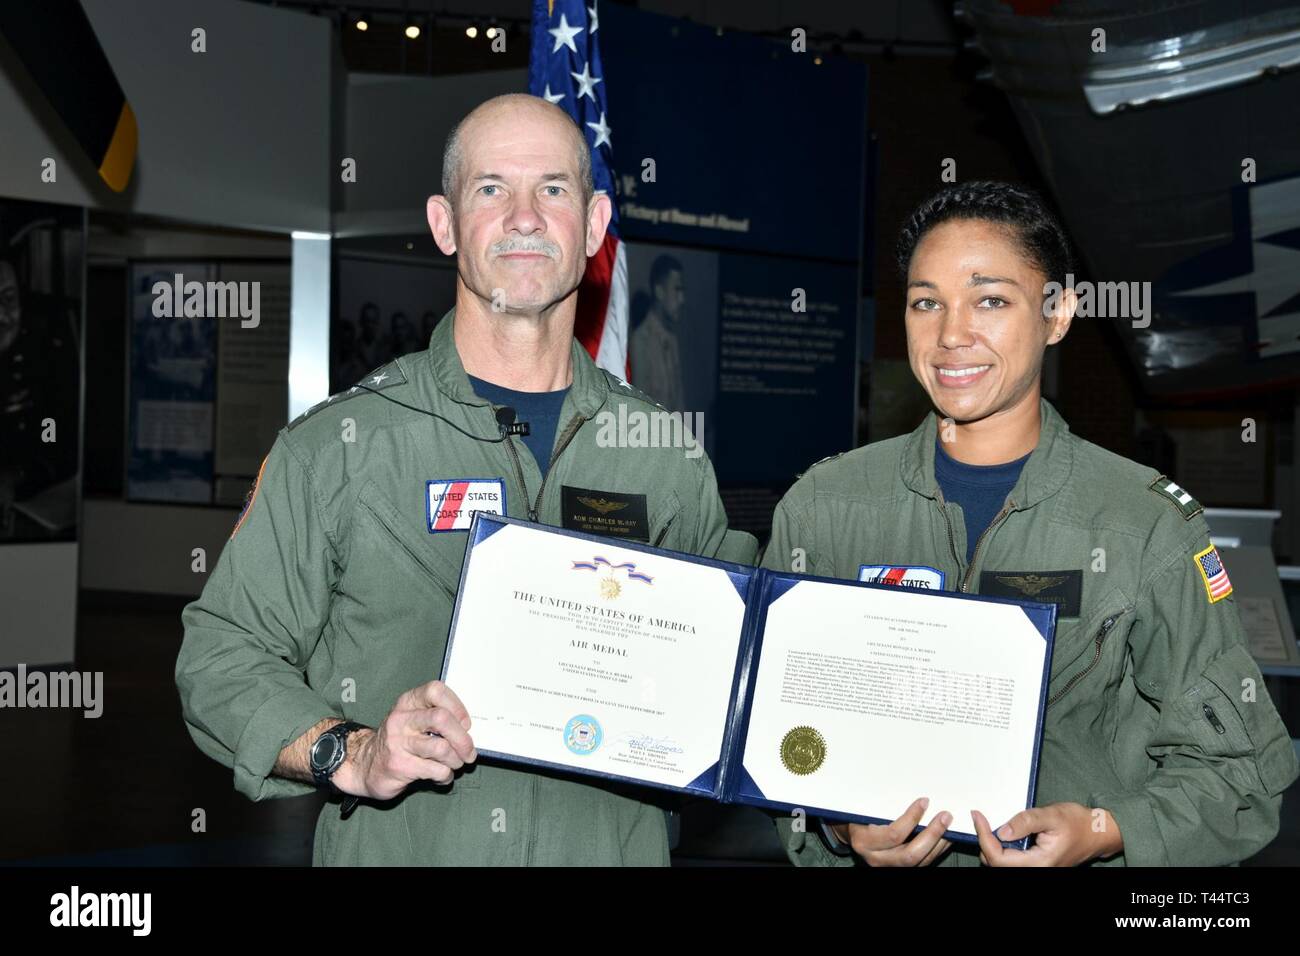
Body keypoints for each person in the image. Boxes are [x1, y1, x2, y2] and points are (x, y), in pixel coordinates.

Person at [176, 93, 755, 866]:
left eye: (553, 188)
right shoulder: (342, 446)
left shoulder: (661, 455)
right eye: (491, 189)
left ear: (592, 226)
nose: (524, 216)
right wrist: (346, 753)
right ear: (445, 224)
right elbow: (220, 656)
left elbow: (733, 677)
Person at [762, 181, 1299, 867]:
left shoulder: (1142, 525)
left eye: (990, 300)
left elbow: (1239, 777)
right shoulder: (826, 505)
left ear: (1059, 314)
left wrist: (1105, 829)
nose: (952, 335)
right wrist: (839, 828)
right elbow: (778, 737)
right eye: (926, 302)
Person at [630, 254, 686, 411]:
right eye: (677, 289)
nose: (682, 299)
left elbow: (679, 405)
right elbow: (638, 409)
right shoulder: (640, 340)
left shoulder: (672, 340)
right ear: (660, 291)